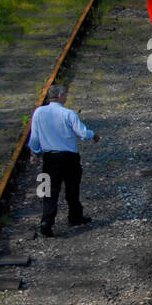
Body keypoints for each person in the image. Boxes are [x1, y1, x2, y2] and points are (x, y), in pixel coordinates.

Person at [29, 83, 97, 237]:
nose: (66, 97)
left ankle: (46, 221)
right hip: (69, 158)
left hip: (50, 158)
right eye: (65, 94)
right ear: (60, 96)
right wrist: (94, 135)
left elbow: (34, 137)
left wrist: (35, 153)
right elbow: (83, 133)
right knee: (72, 188)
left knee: (49, 191)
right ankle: (75, 217)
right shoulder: (69, 114)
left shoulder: (39, 112)